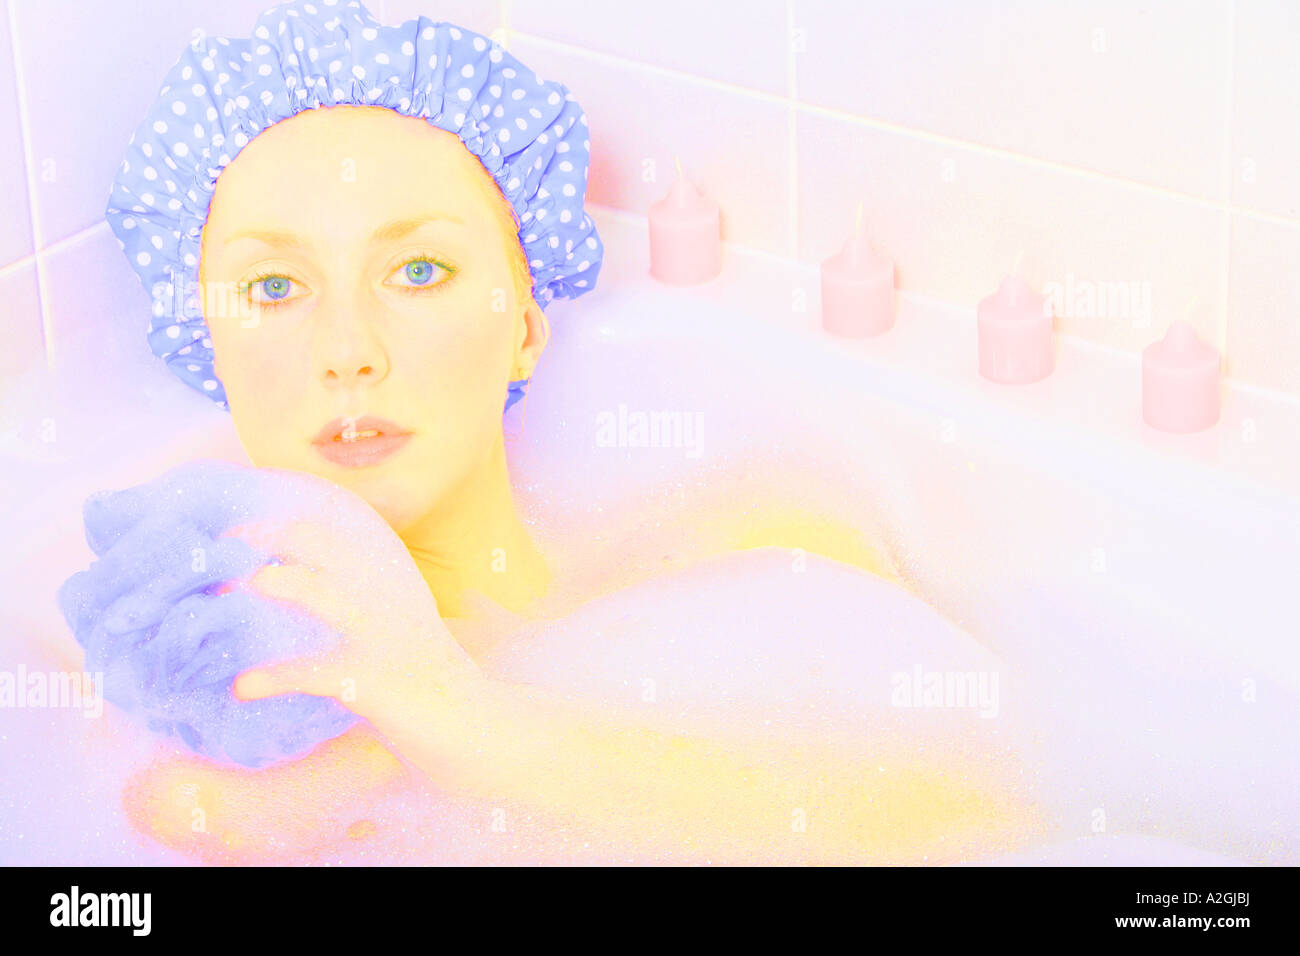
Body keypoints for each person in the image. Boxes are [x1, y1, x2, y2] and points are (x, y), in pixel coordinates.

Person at [89, 0, 1043, 864]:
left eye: (418, 272)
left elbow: (982, 814)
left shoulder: (759, 543)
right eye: (274, 287)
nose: (347, 350)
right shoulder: (224, 723)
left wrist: (458, 717)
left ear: (524, 331)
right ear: (209, 348)